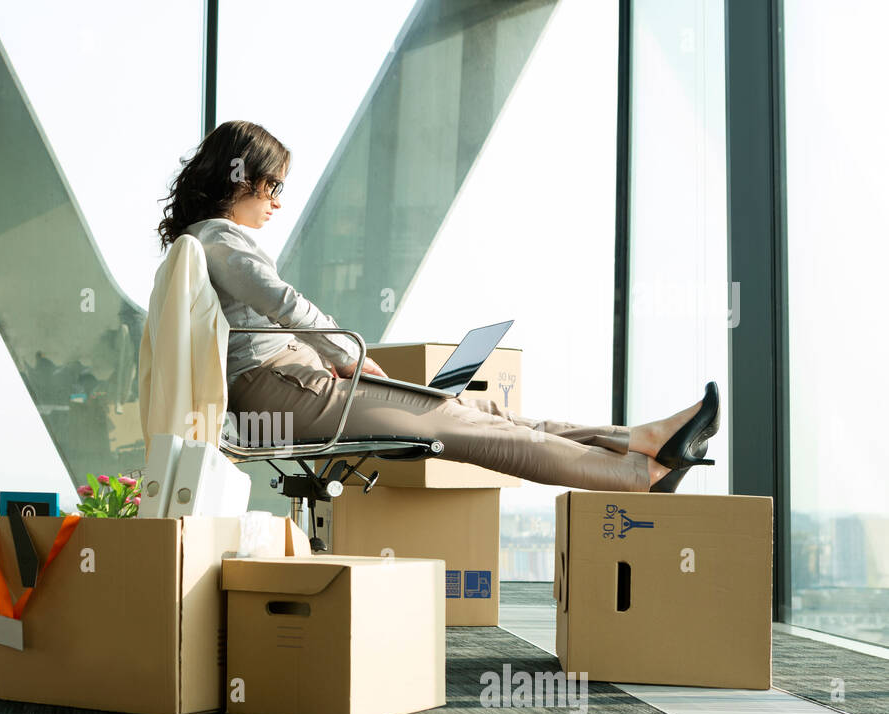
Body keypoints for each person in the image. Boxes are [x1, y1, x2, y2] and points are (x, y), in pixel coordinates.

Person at [156, 120, 719, 493]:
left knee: (486, 414)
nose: (278, 201)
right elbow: (283, 304)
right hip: (282, 389)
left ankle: (640, 442)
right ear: (240, 177)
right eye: (273, 186)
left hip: (293, 382)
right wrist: (346, 354)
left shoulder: (206, 240)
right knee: (468, 429)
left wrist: (331, 359)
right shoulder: (220, 238)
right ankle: (639, 473)